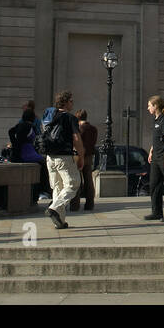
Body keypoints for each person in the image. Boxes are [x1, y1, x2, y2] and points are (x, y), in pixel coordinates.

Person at [41, 90, 84, 229]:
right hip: (64, 157)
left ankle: (60, 221)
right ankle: (54, 207)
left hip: (49, 157)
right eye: (71, 101)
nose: (73, 103)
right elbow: (76, 138)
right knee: (73, 184)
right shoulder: (70, 118)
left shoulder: (50, 116)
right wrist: (81, 155)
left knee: (57, 187)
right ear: (65, 102)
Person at [69, 109, 97, 213]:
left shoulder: (78, 128)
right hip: (89, 156)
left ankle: (75, 205)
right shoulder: (93, 129)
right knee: (88, 179)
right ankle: (90, 204)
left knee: (76, 180)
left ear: (77, 117)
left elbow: (76, 142)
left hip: (78, 155)